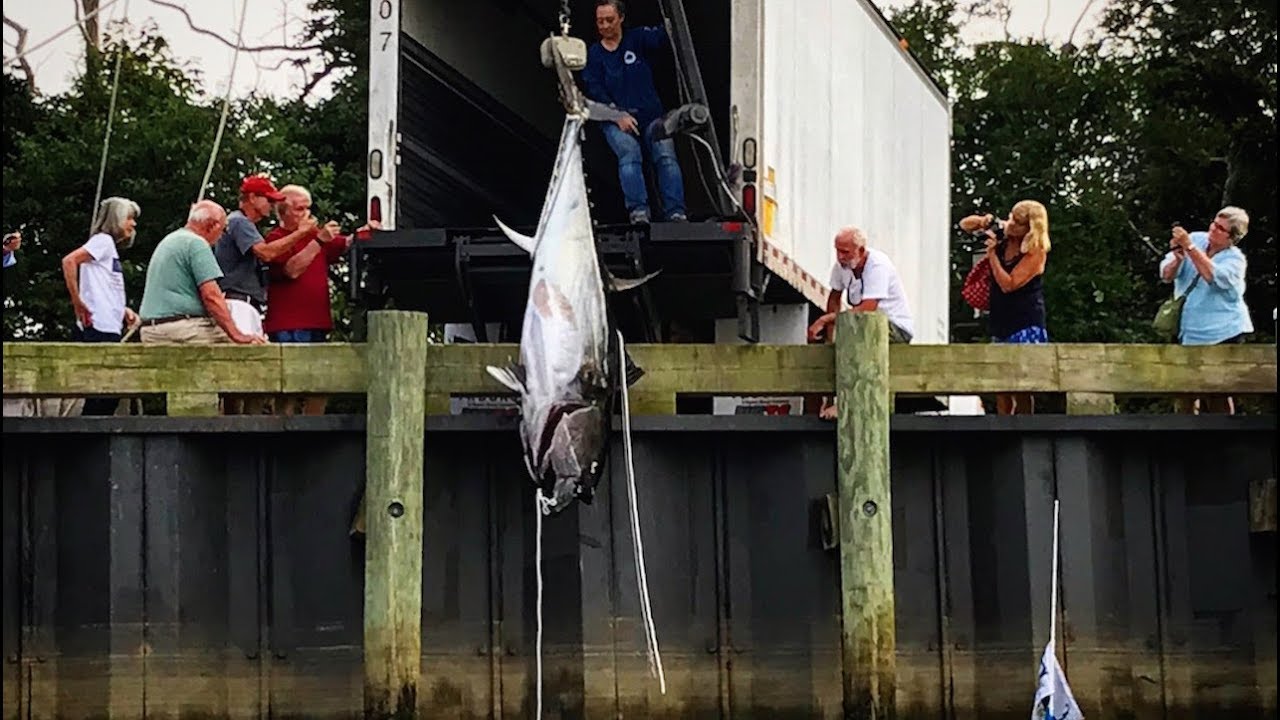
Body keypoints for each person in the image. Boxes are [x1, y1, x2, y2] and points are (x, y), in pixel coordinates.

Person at [263, 184, 376, 415]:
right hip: (288, 324)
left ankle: (312, 428)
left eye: (308, 208)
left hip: (317, 321)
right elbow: (292, 270)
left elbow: (345, 243)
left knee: (320, 381)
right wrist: (319, 241)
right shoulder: (276, 238)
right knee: (289, 384)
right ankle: (283, 427)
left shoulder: (315, 236)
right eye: (299, 209)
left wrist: (366, 231)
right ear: (283, 212)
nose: (307, 214)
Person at [581, 0, 688, 224]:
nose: (604, 26)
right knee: (629, 153)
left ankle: (676, 212)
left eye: (609, 20)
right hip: (614, 118)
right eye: (600, 21)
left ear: (621, 18)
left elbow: (667, 34)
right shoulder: (594, 54)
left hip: (651, 116)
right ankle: (639, 211)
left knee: (665, 154)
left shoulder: (638, 39)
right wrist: (618, 116)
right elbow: (594, 90)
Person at [807, 226, 914, 419]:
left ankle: (847, 401)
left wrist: (825, 319)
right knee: (836, 343)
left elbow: (868, 307)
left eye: (845, 252)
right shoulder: (842, 267)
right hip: (864, 324)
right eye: (837, 251)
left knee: (857, 336)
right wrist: (830, 335)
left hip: (895, 328)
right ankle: (827, 399)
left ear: (861, 250)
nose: (840, 257)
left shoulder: (878, 265)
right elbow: (834, 297)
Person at [958, 200, 1051, 415]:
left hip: (1025, 321)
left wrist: (992, 256)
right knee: (1001, 384)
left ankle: (1025, 426)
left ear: (1029, 228)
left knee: (1022, 384)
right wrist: (984, 221)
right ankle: (1003, 425)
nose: (1010, 224)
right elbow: (964, 224)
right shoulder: (1004, 235)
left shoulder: (1035, 251)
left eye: (1016, 222)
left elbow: (1008, 284)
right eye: (1010, 218)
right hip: (1001, 318)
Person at [1159, 206, 1253, 414]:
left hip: (1223, 332)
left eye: (1220, 228)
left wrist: (1190, 248)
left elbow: (1214, 277)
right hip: (1189, 331)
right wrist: (1178, 258)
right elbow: (1165, 275)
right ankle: (1186, 432)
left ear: (1232, 238)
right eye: (1214, 223)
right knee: (1185, 391)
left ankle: (1224, 433)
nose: (1212, 229)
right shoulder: (1196, 238)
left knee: (1218, 391)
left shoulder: (1235, 260)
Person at [138, 200, 265, 346]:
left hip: (150, 330)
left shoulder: (170, 240)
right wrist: (238, 335)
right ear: (212, 225)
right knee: (250, 343)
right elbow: (211, 296)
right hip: (181, 328)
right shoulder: (197, 244)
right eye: (223, 229)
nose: (221, 236)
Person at [60, 197, 142, 415]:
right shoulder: (103, 241)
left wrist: (122, 310)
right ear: (116, 219)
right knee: (106, 390)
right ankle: (87, 431)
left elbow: (102, 285)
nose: (133, 223)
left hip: (106, 324)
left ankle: (87, 428)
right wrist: (77, 302)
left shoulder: (106, 246)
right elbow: (69, 261)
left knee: (104, 391)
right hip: (100, 326)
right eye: (129, 218)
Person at [213, 174, 319, 338]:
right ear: (252, 198)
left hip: (245, 302)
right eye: (269, 200)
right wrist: (301, 232)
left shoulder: (241, 223)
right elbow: (266, 253)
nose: (273, 205)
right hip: (239, 302)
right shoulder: (240, 222)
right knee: (246, 350)